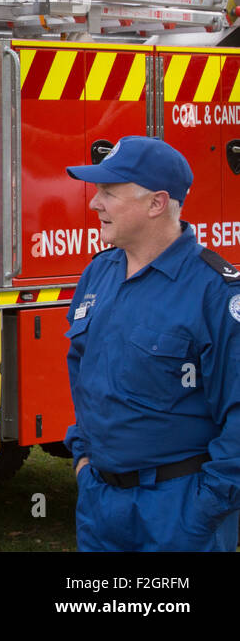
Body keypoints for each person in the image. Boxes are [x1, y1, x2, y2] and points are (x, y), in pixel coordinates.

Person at [64, 135, 240, 551]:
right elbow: (83, 371)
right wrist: (83, 459)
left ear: (156, 203)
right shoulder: (98, 273)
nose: (95, 204)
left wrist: (208, 505)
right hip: (100, 504)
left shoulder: (214, 291)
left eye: (109, 192)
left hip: (179, 511)